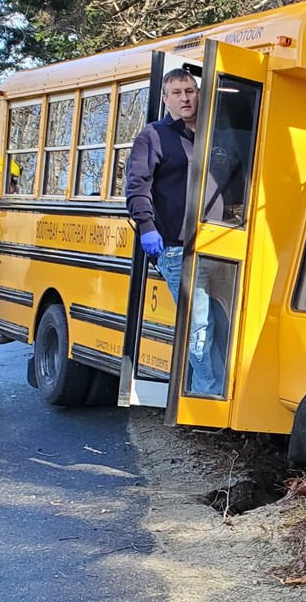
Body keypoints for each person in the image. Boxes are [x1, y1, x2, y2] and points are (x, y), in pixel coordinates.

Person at [125, 68, 220, 395]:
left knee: (218, 325)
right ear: (165, 99)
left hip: (221, 244)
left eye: (190, 91)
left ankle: (209, 391)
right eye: (177, 92)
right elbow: (137, 186)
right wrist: (147, 228)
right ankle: (209, 396)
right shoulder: (154, 136)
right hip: (177, 248)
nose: (185, 97)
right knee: (199, 325)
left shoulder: (213, 134)